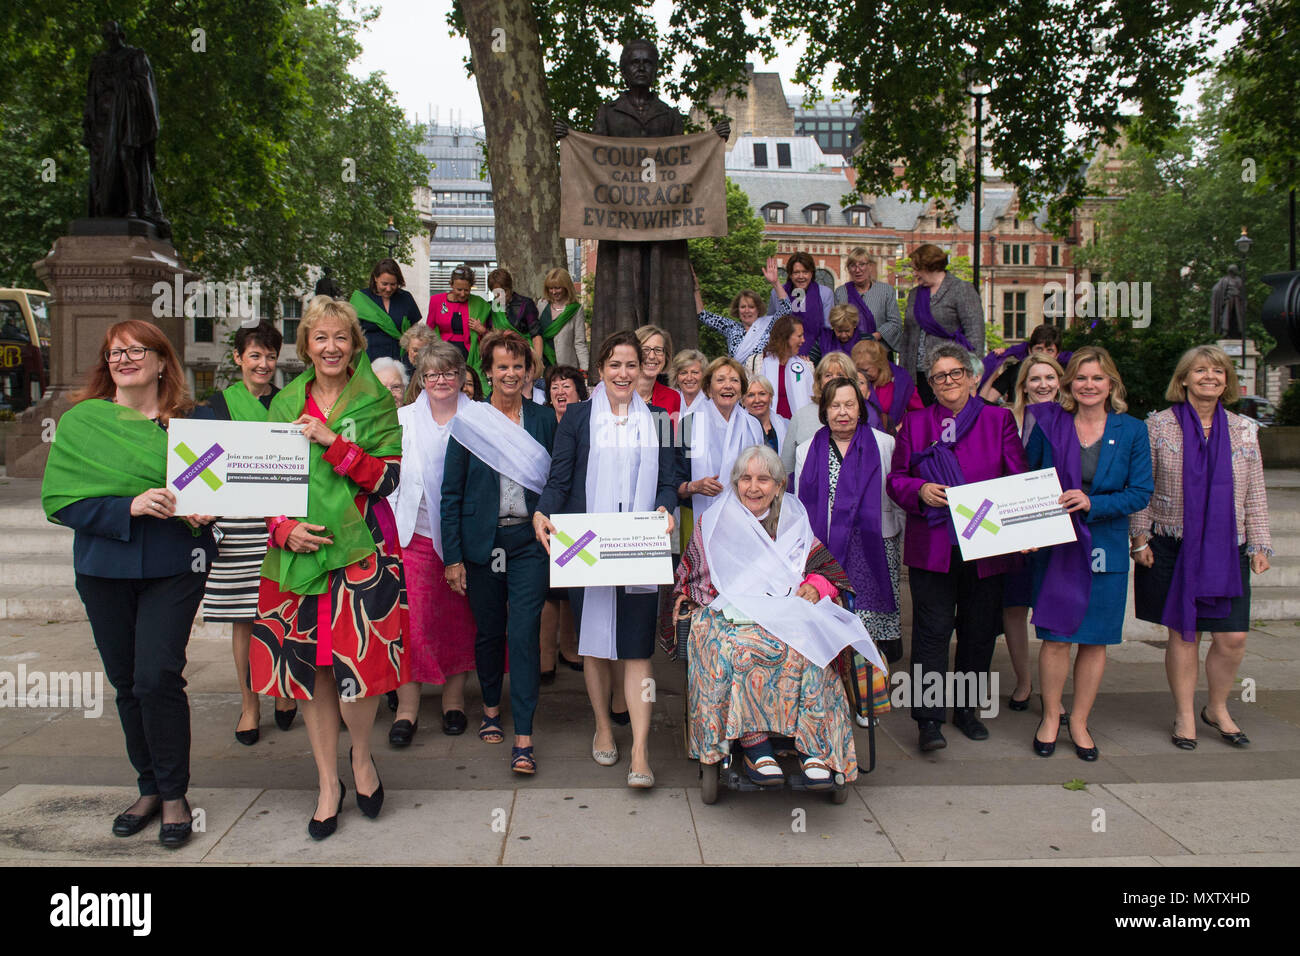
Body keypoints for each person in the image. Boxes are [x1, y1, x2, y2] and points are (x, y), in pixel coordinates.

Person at [42, 320, 218, 848]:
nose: (125, 358)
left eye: (137, 350)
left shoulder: (194, 426)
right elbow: (62, 501)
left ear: (163, 361)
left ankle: (173, 796)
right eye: (115, 352)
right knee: (126, 683)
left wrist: (209, 510)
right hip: (103, 567)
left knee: (156, 676)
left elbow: (222, 492)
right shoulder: (81, 423)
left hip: (174, 564)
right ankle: (148, 787)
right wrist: (129, 505)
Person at [250, 296, 406, 840]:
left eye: (341, 337)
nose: (331, 347)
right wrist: (281, 529)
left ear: (354, 344)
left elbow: (388, 480)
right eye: (320, 338)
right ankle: (326, 783)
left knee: (357, 670)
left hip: (362, 553)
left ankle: (361, 757)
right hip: (298, 556)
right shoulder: (285, 401)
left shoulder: (375, 400)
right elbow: (260, 483)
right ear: (306, 346)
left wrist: (335, 444)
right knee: (313, 670)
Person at [671, 446, 883, 787]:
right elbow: (691, 576)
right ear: (735, 483)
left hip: (786, 614)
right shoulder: (713, 523)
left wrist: (817, 586)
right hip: (731, 618)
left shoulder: (792, 523)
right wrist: (701, 597)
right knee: (740, 650)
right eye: (745, 479)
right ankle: (755, 744)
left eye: (763, 480)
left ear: (779, 485)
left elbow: (828, 571)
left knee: (813, 655)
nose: (753, 488)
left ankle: (815, 747)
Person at [534, 330, 679, 788]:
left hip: (638, 544)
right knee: (594, 642)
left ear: (642, 371)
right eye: (614, 365)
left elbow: (671, 481)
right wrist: (542, 510)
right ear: (599, 370)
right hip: (585, 546)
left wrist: (666, 508)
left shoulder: (662, 419)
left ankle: (639, 749)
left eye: (631, 365)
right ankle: (601, 726)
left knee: (637, 645)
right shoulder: (576, 417)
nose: (623, 373)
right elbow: (559, 478)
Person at [1130, 345, 1272, 750]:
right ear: (1184, 379)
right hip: (1171, 543)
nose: (1210, 376)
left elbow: (1255, 493)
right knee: (1184, 633)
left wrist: (1260, 542)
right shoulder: (1158, 427)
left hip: (1227, 547)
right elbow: (1143, 488)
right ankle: (1185, 714)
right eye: (1200, 370)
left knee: (1232, 639)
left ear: (1227, 382)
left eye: (1218, 371)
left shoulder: (1244, 430)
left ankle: (1217, 707)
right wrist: (1139, 539)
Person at [887, 343, 1027, 752]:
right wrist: (921, 488)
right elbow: (896, 480)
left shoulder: (998, 420)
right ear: (930, 385)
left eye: (955, 374)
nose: (947, 381)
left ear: (970, 377)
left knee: (978, 630)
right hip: (934, 544)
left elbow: (1016, 476)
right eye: (938, 377)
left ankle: (965, 710)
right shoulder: (914, 424)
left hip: (986, 543)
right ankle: (928, 720)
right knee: (931, 632)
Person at [1025, 348, 1152, 760]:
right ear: (1069, 384)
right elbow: (1031, 481)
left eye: (1097, 378)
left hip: (1105, 547)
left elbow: (1140, 492)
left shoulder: (1132, 431)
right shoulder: (1050, 424)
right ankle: (1050, 716)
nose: (1089, 385)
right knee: (1057, 637)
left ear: (1110, 384)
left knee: (1095, 641)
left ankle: (1079, 722)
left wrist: (1093, 504)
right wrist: (1025, 527)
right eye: (1081, 378)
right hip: (1059, 546)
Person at [442, 330, 556, 774]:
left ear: (528, 371)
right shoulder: (471, 422)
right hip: (482, 544)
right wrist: (453, 557)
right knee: (490, 631)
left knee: (524, 632)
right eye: (501, 366)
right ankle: (491, 705)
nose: (510, 373)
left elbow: (559, 481)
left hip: (530, 543)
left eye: (517, 366)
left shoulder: (545, 420)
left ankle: (524, 735)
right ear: (487, 371)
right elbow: (450, 493)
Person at [201, 321, 296, 744]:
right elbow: (200, 467)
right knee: (244, 618)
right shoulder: (216, 407)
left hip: (280, 524)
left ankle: (285, 691)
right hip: (237, 527)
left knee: (283, 615)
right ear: (238, 358)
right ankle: (249, 703)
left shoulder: (289, 403)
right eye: (255, 355)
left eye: (270, 356)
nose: (263, 363)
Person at [388, 343, 477, 744]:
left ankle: (453, 702)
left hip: (464, 537)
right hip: (414, 535)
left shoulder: (479, 419)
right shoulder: (402, 419)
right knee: (414, 623)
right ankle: (407, 711)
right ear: (421, 380)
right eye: (432, 374)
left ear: (461, 376)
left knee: (459, 621)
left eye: (449, 372)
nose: (441, 380)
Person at [796, 378, 904, 670]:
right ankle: (836, 695)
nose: (842, 412)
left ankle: (870, 698)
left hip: (874, 548)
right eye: (834, 405)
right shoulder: (806, 450)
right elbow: (800, 507)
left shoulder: (885, 444)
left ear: (860, 408)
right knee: (829, 622)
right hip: (828, 549)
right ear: (824, 411)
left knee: (869, 628)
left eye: (849, 404)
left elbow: (896, 497)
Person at [1000, 354, 1065, 709]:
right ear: (1023, 384)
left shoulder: (1069, 419)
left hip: (1054, 527)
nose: (1042, 384)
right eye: (1034, 378)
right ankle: (1024, 682)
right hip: (1015, 526)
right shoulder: (1009, 419)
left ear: (1060, 381)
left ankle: (1052, 687)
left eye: (1049, 377)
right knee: (1014, 606)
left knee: (1052, 606)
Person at [539, 365, 588, 680]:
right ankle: (545, 655)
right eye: (554, 386)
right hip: (544, 511)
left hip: (576, 513)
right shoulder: (542, 423)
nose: (560, 391)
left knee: (571, 584)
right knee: (547, 590)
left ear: (579, 392)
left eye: (566, 385)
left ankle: (569, 647)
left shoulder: (586, 421)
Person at [679, 356, 764, 520]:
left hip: (745, 516)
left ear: (741, 389)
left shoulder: (753, 426)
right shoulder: (689, 424)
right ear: (709, 389)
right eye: (720, 380)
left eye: (734, 380)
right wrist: (695, 486)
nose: (728, 385)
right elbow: (675, 480)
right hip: (697, 514)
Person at [900, 244, 984, 405]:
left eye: (917, 269)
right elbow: (907, 337)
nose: (915, 273)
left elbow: (975, 334)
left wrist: (970, 375)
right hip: (916, 374)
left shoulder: (961, 289)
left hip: (949, 374)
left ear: (930, 267)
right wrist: (903, 373)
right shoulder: (914, 294)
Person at [694, 259, 792, 374]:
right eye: (743, 307)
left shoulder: (769, 325)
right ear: (737, 309)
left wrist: (775, 283)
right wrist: (696, 289)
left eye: (751, 307)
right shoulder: (731, 327)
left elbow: (786, 309)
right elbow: (702, 314)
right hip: (737, 379)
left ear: (758, 309)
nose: (746, 311)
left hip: (762, 380)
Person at [780, 352, 860, 485]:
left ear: (851, 379)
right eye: (828, 375)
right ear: (819, 381)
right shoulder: (801, 416)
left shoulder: (860, 412)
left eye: (840, 374)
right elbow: (786, 468)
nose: (834, 379)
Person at [428, 264, 492, 394]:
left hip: (469, 354)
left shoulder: (479, 303)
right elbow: (429, 330)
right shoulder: (436, 300)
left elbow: (495, 331)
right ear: (451, 285)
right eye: (459, 289)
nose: (463, 294)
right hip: (444, 353)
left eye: (467, 290)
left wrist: (482, 330)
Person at [350, 259, 422, 365]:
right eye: (384, 284)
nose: (388, 289)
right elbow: (352, 332)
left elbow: (414, 331)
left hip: (400, 361)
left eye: (393, 284)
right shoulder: (360, 298)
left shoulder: (406, 298)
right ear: (375, 278)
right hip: (369, 362)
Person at [979, 323, 1071, 402]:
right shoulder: (1014, 371)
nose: (1043, 354)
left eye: (1049, 350)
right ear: (1030, 350)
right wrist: (997, 362)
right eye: (1039, 349)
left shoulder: (1066, 375)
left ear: (1057, 354)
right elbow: (985, 400)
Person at [834, 247, 902, 351]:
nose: (857, 270)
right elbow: (836, 323)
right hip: (850, 352)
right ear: (848, 269)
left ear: (870, 266)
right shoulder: (841, 293)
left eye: (862, 264)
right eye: (853, 266)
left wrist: (874, 336)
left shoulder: (886, 291)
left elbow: (895, 322)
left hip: (879, 351)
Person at [766, 251, 833, 351]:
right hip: (784, 352)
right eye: (796, 272)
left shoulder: (825, 293)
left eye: (805, 272)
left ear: (812, 273)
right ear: (790, 274)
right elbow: (772, 323)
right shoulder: (777, 292)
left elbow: (827, 329)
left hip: (816, 353)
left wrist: (814, 354)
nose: (801, 276)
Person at [853, 339, 922, 435]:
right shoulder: (854, 379)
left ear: (879, 364)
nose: (861, 374)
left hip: (896, 437)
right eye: (858, 370)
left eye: (866, 370)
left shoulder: (901, 378)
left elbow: (918, 413)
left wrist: (901, 427)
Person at [486, 268, 544, 371]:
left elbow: (536, 335)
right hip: (499, 360)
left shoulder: (525, 304)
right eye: (497, 293)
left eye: (505, 291)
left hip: (523, 356)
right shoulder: (489, 308)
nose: (501, 296)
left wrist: (537, 363)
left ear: (510, 288)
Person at [760, 313, 813, 422]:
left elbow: (813, 401)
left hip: (798, 430)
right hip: (769, 429)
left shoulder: (805, 366)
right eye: (799, 336)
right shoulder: (759, 363)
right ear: (785, 337)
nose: (803, 340)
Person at [536, 267, 588, 372]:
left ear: (566, 287)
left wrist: (585, 368)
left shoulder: (576, 309)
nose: (554, 292)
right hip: (543, 365)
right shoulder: (541, 305)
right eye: (550, 288)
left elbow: (579, 342)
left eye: (557, 288)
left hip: (566, 367)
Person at [633, 324, 681, 422]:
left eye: (658, 350)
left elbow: (681, 436)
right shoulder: (615, 393)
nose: (651, 356)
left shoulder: (674, 398)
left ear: (665, 356)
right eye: (645, 350)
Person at [744, 375, 786, 454]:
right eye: (751, 395)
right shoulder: (738, 429)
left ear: (770, 396)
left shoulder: (785, 425)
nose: (757, 400)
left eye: (762, 394)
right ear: (743, 400)